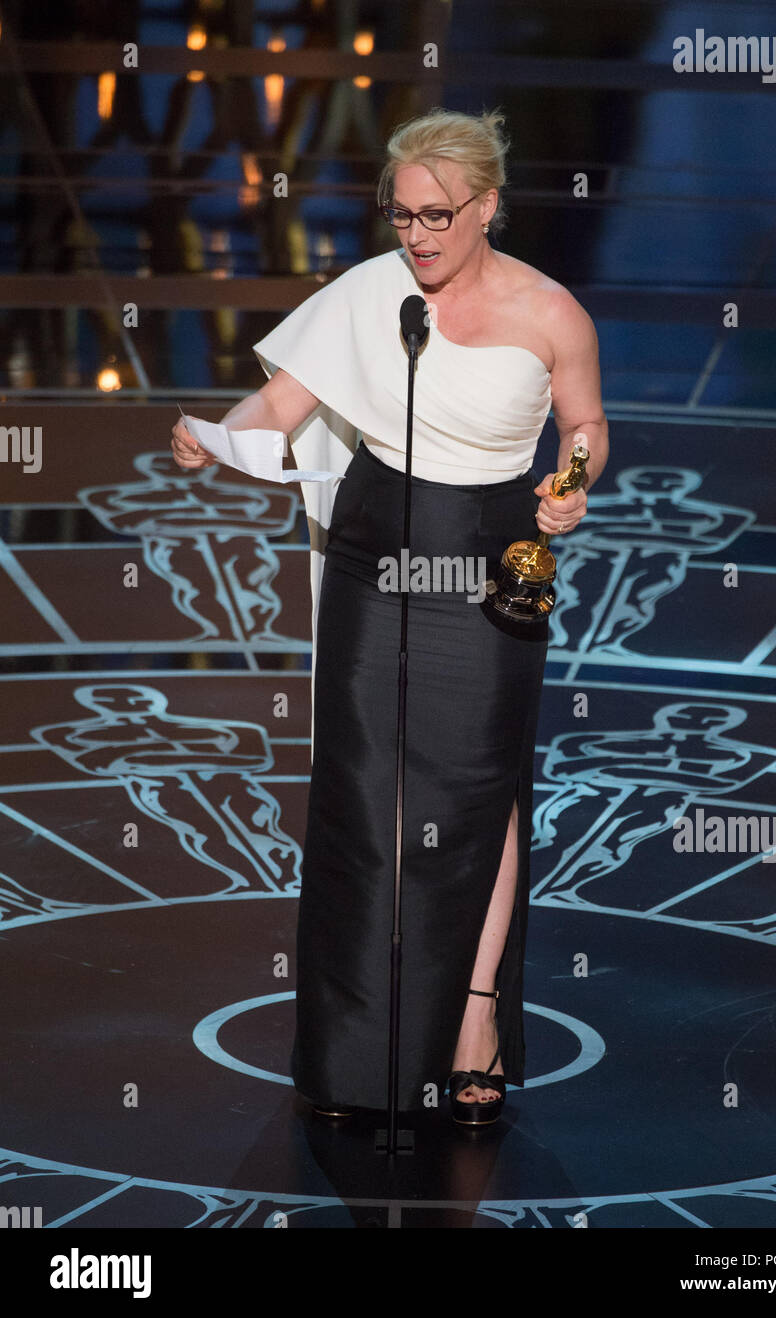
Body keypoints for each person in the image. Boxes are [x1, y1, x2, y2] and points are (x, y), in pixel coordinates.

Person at [171, 106, 608, 1125]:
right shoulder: (370, 294)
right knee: (367, 787)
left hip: (490, 554)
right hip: (375, 550)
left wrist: (573, 479)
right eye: (401, 214)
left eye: (437, 216)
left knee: (479, 783)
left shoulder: (553, 314)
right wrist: (216, 437)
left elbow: (583, 422)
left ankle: (475, 1021)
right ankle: (355, 1040)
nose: (415, 236)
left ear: (487, 207)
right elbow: (278, 407)